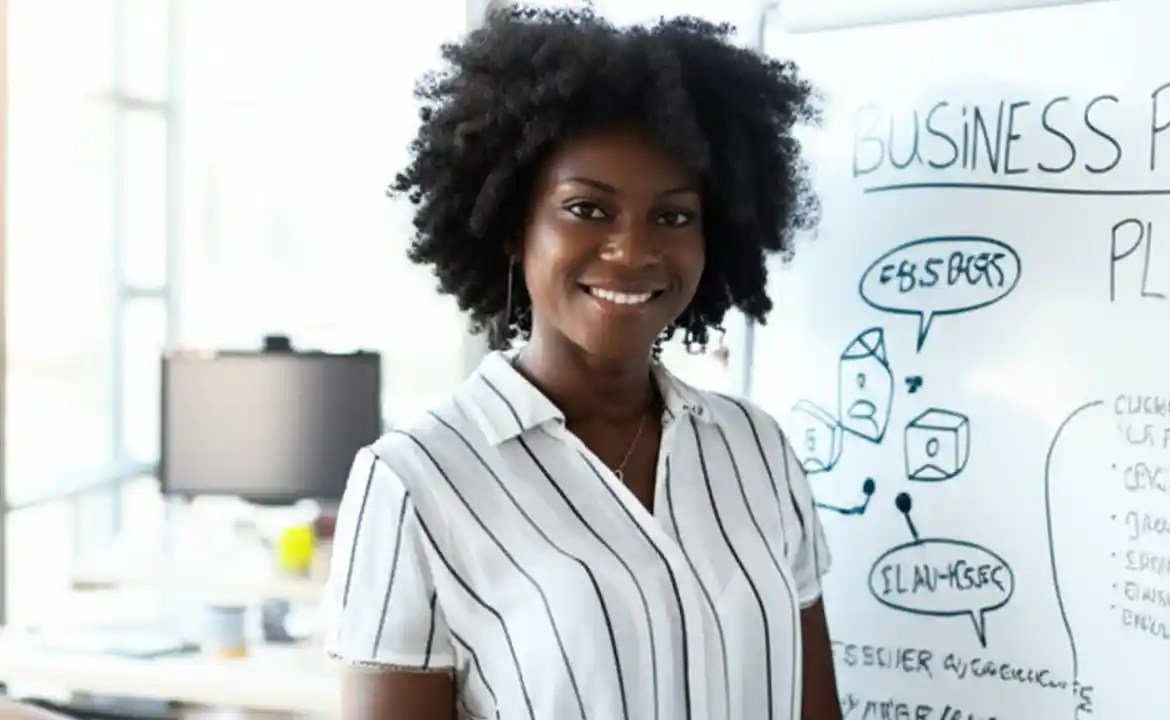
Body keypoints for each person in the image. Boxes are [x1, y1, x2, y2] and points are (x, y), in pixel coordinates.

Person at [322, 5, 838, 719]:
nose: (632, 251)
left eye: (673, 216)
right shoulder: (416, 480)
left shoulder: (760, 451)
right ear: (512, 227)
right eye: (588, 210)